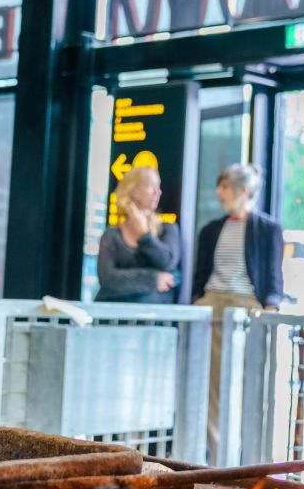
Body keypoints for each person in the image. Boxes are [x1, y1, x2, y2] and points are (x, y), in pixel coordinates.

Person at [193, 163, 284, 462]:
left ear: (244, 191)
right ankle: (217, 455)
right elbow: (200, 276)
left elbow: (272, 277)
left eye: (226, 187)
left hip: (247, 308)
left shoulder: (268, 229)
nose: (219, 193)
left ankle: (247, 457)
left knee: (249, 383)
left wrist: (269, 312)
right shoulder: (210, 230)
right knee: (210, 384)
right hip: (213, 306)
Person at [95, 166, 180, 303]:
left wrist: (144, 234)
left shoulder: (167, 230)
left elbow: (167, 264)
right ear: (133, 190)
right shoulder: (111, 235)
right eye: (150, 186)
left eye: (158, 186)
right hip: (113, 317)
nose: (157, 192)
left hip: (154, 318)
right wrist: (153, 279)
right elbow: (107, 278)